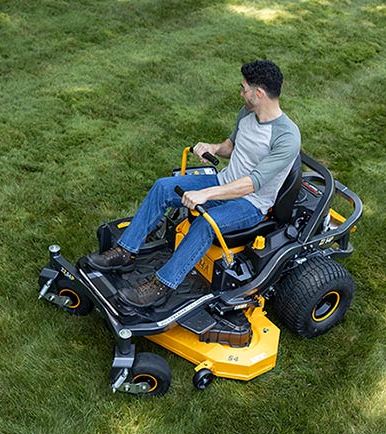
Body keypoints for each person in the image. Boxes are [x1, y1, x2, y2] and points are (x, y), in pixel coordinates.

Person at [88, 59, 301, 308]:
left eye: (244, 88)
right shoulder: (247, 112)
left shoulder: (287, 137)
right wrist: (213, 148)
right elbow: (232, 146)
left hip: (250, 203)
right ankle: (126, 251)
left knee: (205, 223)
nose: (241, 93)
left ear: (260, 93)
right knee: (163, 187)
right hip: (223, 181)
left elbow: (252, 184)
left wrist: (206, 194)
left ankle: (162, 285)